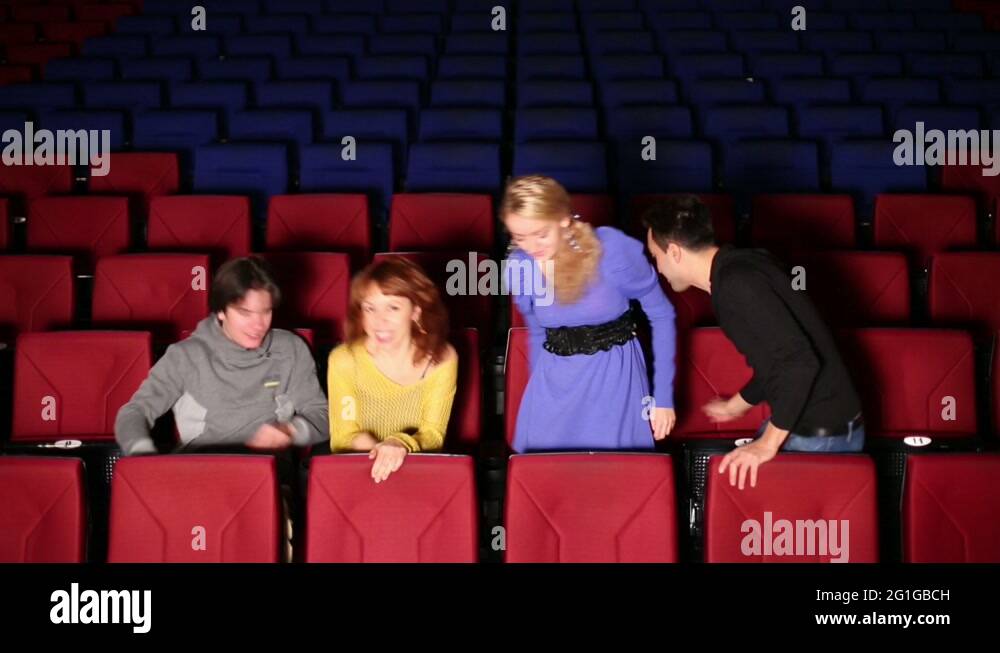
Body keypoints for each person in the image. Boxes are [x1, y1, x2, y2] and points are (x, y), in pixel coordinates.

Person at [642, 195, 864, 490]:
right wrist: (737, 404)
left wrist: (767, 445)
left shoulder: (736, 284)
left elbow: (799, 362)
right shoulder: (738, 266)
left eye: (655, 257)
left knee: (779, 528)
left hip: (819, 435)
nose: (658, 268)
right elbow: (779, 358)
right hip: (815, 424)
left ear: (674, 251)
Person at [502, 175, 677, 452]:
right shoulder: (519, 265)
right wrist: (537, 403)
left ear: (563, 219)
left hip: (615, 382)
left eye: (541, 234)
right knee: (548, 480)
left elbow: (662, 315)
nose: (532, 247)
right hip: (554, 386)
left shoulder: (611, 249)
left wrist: (664, 398)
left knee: (614, 479)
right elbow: (536, 334)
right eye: (520, 237)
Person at [115, 256, 329, 455]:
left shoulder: (291, 349)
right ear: (221, 311)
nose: (258, 325)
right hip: (199, 469)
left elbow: (322, 415)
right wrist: (141, 454)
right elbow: (135, 412)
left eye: (266, 311)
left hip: (268, 470)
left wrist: (291, 430)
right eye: (245, 313)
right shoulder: (185, 356)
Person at [327, 257, 457, 483]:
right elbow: (343, 437)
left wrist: (399, 444)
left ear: (416, 311)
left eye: (393, 307)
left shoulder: (442, 359)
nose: (379, 321)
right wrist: (383, 452)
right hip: (359, 471)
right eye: (370, 308)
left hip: (420, 472)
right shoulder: (344, 360)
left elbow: (433, 434)